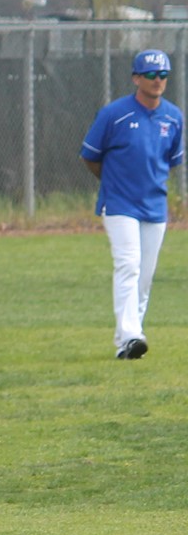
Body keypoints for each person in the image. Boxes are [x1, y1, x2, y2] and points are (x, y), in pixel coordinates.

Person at [81, 48, 184, 360]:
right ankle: (132, 334)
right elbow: (90, 157)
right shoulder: (115, 114)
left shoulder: (173, 117)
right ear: (136, 78)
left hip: (155, 206)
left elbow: (171, 161)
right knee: (128, 265)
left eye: (163, 74)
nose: (157, 80)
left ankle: (128, 342)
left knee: (145, 276)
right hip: (120, 203)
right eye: (151, 75)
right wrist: (115, 184)